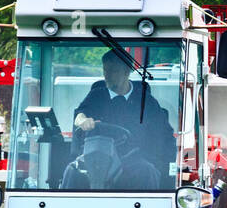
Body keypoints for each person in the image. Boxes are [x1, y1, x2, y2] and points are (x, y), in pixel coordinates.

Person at [65, 49, 175, 187]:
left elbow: (164, 134)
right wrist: (83, 121)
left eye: (113, 71)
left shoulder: (146, 100)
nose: (107, 76)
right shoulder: (96, 95)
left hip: (132, 158)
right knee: (71, 170)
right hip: (96, 155)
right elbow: (79, 115)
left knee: (149, 171)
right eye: (105, 71)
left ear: (126, 72)